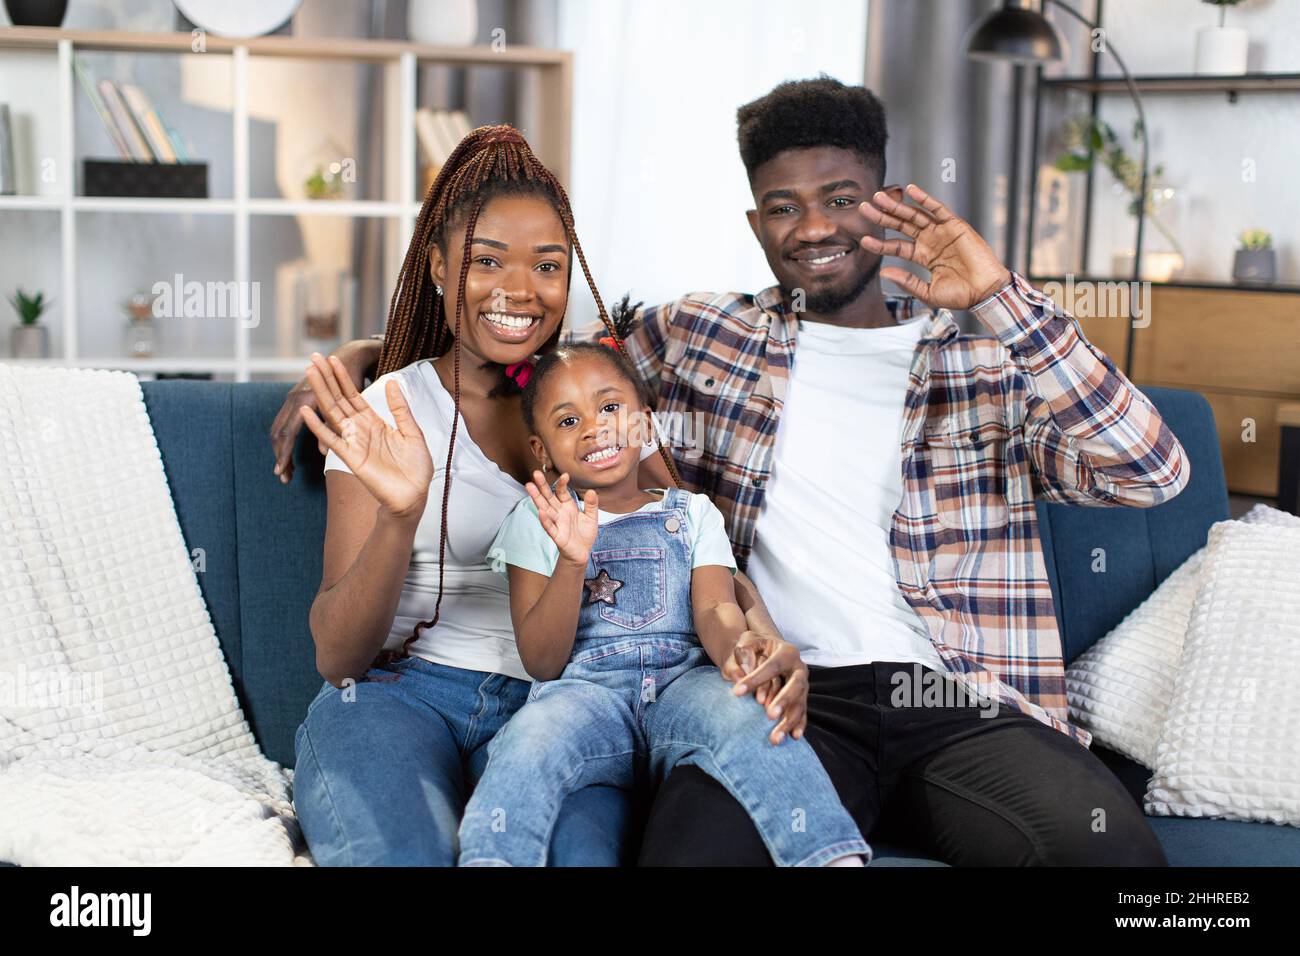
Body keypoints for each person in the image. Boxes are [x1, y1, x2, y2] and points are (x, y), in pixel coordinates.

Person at [276, 79, 1185, 866]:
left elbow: (1152, 471)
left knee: (1109, 852)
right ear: (756, 223)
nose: (816, 227)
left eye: (843, 197)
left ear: (889, 200)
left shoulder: (989, 360)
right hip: (784, 695)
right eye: (784, 206)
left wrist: (1000, 299)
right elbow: (546, 355)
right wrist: (374, 354)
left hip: (958, 695)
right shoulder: (707, 336)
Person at [290, 125, 709, 866]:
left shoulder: (598, 405)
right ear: (440, 268)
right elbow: (339, 659)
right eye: (487, 262)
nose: (519, 291)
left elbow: (687, 545)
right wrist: (400, 513)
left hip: (559, 710)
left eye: (547, 266)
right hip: (397, 697)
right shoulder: (388, 411)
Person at [456, 339, 869, 866]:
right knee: (529, 737)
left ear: (646, 425)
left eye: (610, 407)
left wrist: (739, 649)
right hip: (587, 698)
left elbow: (715, 609)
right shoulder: (537, 522)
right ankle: (493, 858)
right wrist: (572, 561)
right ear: (540, 450)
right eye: (567, 421)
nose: (594, 427)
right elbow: (542, 660)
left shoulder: (693, 513)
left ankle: (828, 855)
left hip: (683, 686)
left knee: (751, 718)